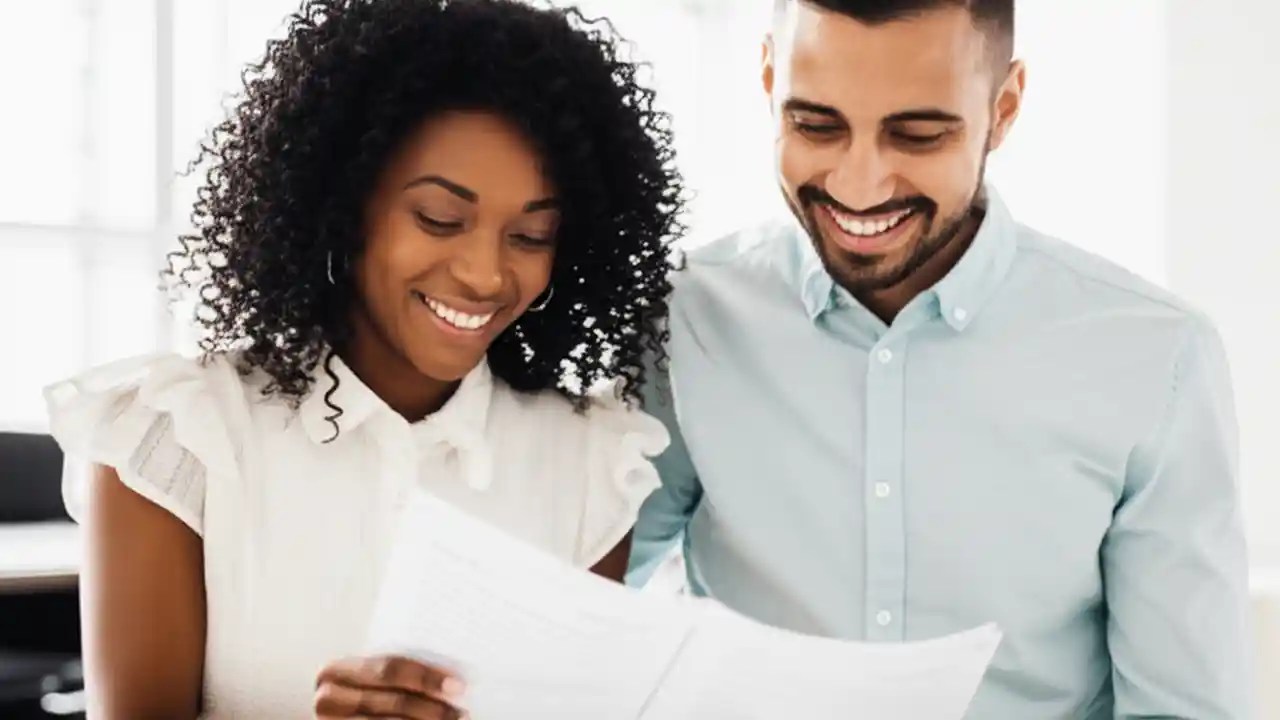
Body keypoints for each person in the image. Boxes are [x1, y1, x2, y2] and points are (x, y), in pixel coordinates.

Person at [43, 0, 684, 717]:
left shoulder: (590, 467)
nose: (485, 274)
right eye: (440, 219)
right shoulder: (175, 440)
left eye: (532, 235)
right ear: (341, 205)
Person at [628, 0, 1251, 717]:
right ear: (769, 80)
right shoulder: (681, 318)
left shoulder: (1155, 356)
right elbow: (581, 615)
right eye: (815, 125)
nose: (859, 186)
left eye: (918, 135)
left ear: (1005, 107)